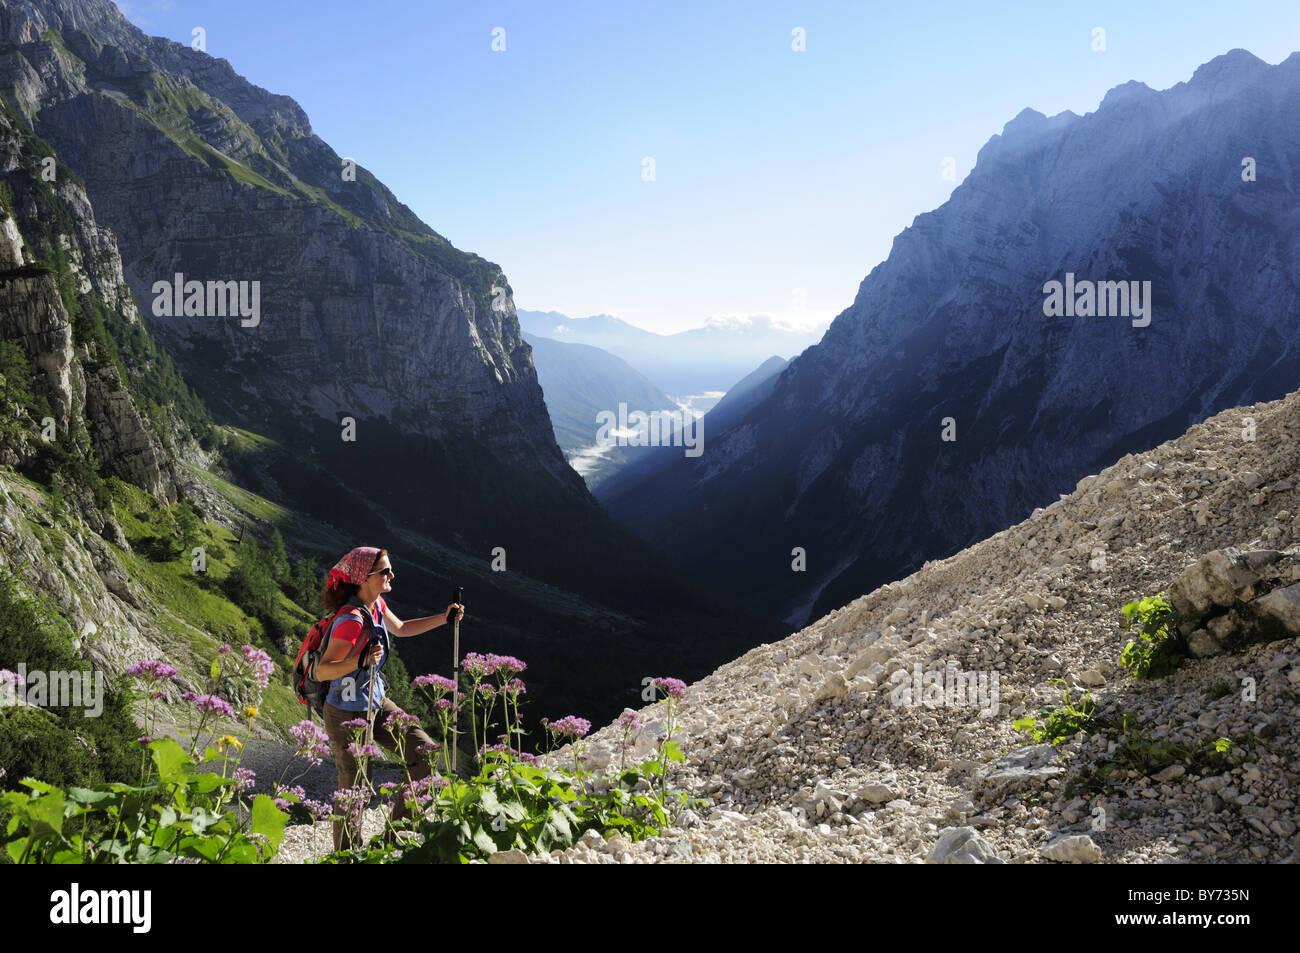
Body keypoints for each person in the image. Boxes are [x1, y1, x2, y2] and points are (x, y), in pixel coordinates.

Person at [314, 545, 464, 850]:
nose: (391, 574)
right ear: (364, 578)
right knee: (355, 789)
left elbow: (402, 628)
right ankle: (348, 857)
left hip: (375, 700)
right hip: (346, 711)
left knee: (423, 751)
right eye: (384, 571)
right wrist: (359, 661)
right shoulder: (351, 621)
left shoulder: (376, 605)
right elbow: (323, 672)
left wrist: (443, 618)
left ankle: (394, 840)